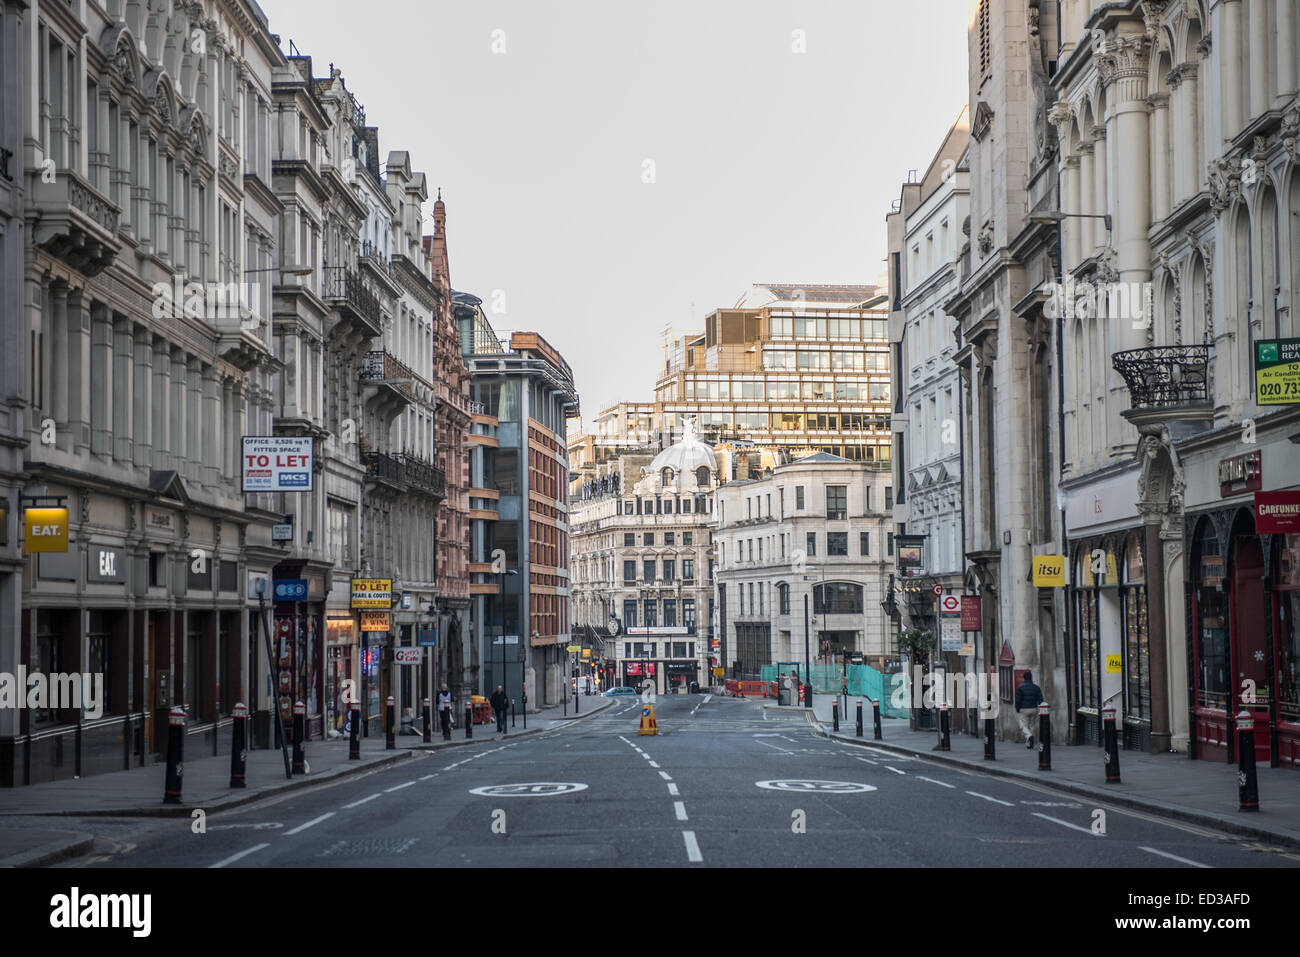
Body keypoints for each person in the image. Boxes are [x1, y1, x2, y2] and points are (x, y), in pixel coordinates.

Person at [1016, 671, 1044, 748]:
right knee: (1032, 725)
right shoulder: (1036, 688)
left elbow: (1018, 700)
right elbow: (1040, 700)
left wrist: (1017, 709)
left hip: (1024, 709)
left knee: (1023, 725)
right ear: (1031, 678)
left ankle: (1029, 736)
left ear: (1024, 678)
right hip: (1034, 708)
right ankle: (1029, 743)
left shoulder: (1020, 687)